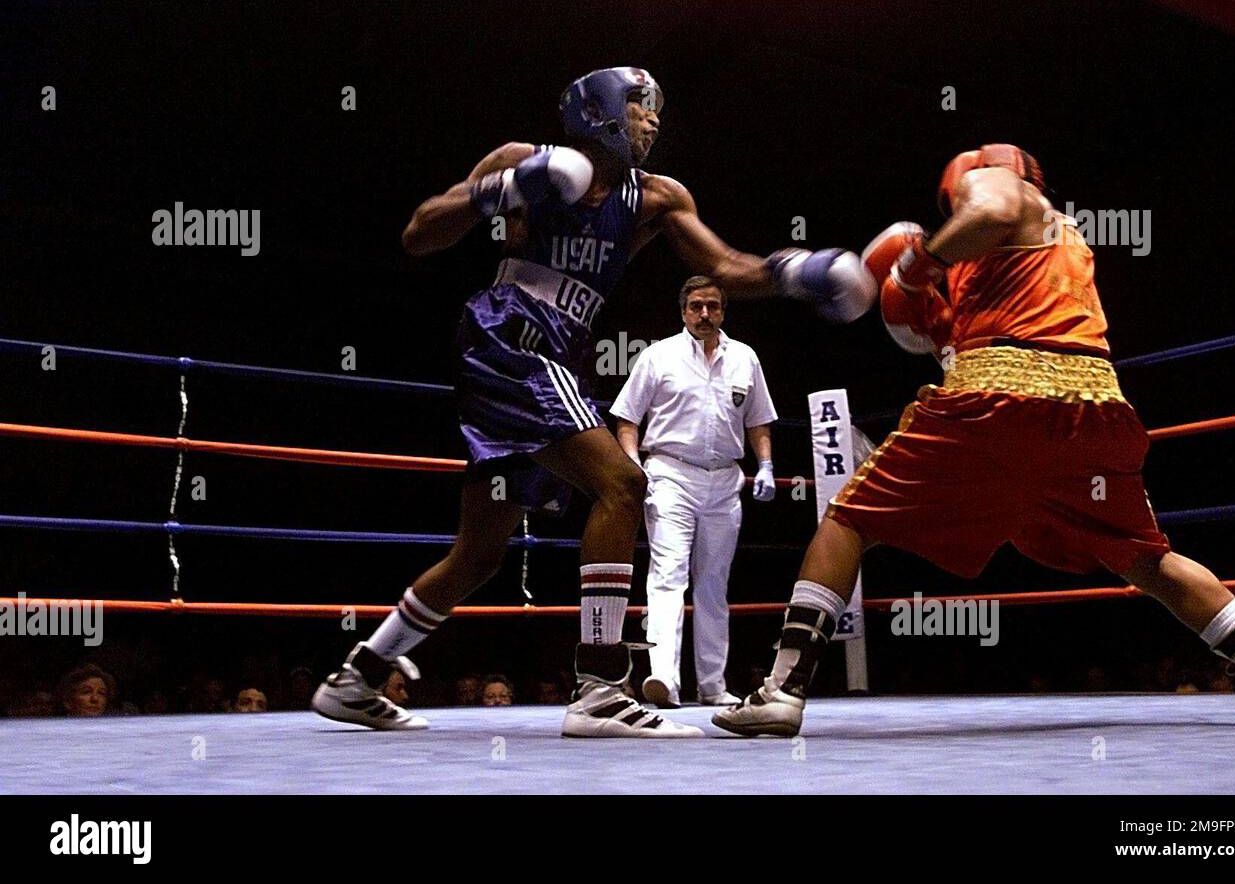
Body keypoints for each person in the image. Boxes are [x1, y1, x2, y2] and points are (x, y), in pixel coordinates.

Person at [312, 67, 872, 737]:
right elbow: (419, 233)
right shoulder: (524, 163)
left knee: (480, 552)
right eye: (641, 105)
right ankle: (600, 686)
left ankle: (358, 677)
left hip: (561, 354)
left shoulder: (656, 199)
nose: (653, 120)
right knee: (624, 484)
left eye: (657, 109)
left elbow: (727, 268)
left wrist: (802, 274)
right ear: (601, 107)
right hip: (509, 337)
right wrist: (502, 192)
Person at [715, 144, 1235, 736]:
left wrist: (916, 265)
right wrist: (927, 309)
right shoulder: (1060, 240)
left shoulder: (998, 187)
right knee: (1147, 560)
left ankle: (781, 693)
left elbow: (989, 215)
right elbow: (986, 328)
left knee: (849, 521)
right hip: (1097, 408)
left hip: (1002, 397)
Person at [611, 275, 777, 707]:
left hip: (725, 479)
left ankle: (712, 685)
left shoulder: (745, 358)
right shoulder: (657, 356)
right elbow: (627, 419)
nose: (705, 314)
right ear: (683, 310)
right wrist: (633, 467)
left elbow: (758, 419)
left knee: (714, 584)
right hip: (669, 473)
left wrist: (767, 466)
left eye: (713, 306)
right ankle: (663, 678)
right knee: (667, 575)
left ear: (723, 311)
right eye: (697, 306)